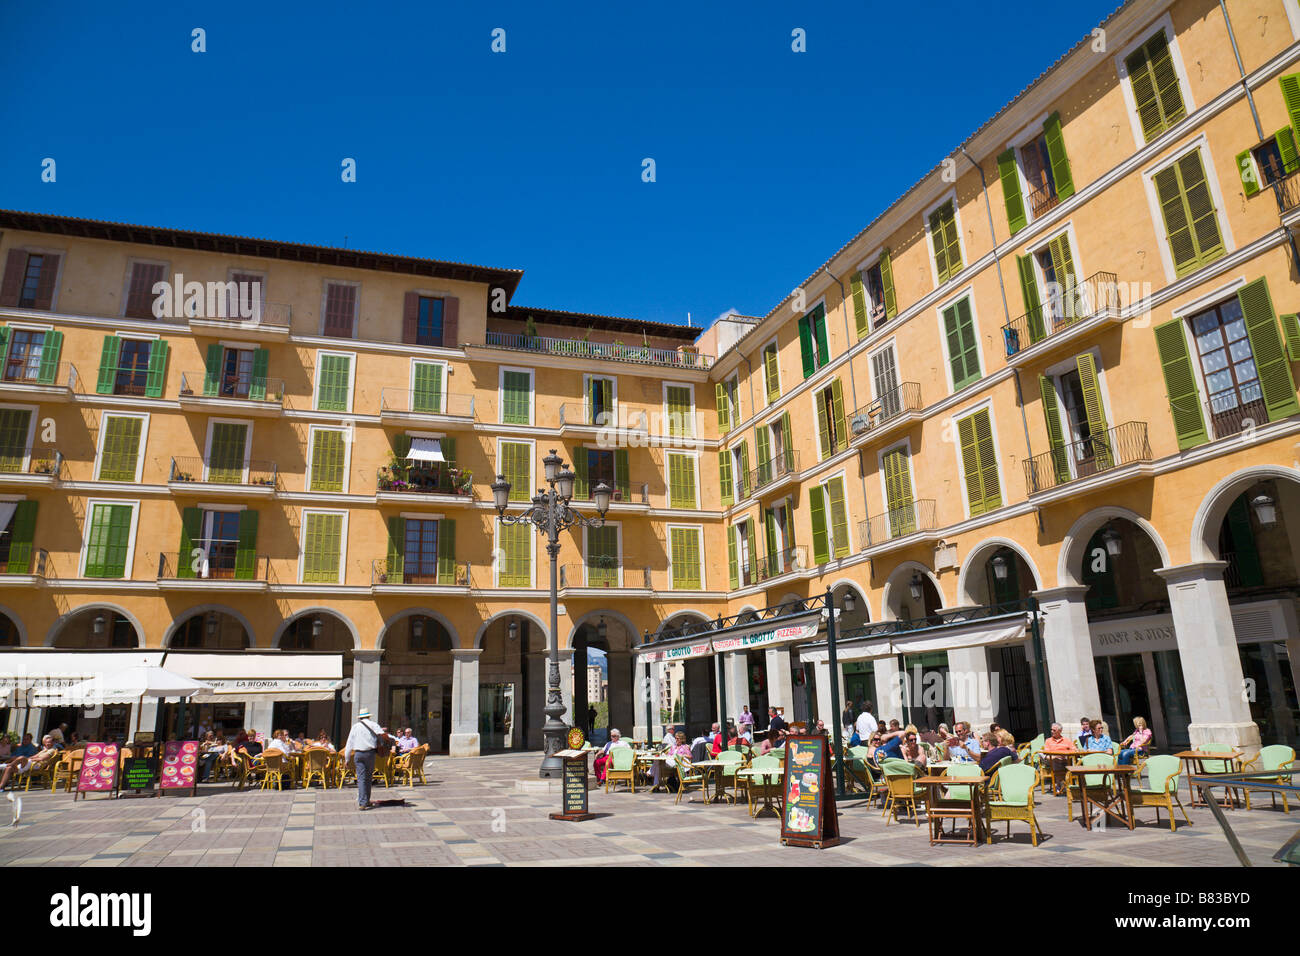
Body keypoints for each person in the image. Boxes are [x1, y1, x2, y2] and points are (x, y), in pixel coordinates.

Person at [343, 708, 392, 811]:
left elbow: (349, 744)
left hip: (359, 753)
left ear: (360, 717)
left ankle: (362, 802)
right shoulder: (374, 725)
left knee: (361, 778)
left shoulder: (355, 727)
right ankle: (366, 800)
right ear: (369, 716)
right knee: (369, 778)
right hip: (370, 754)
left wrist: (346, 759)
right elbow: (384, 736)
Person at [1041, 722, 1076, 795]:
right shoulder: (1048, 740)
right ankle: (1061, 785)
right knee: (1053, 759)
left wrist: (1066, 753)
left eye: (1054, 730)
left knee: (1068, 760)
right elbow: (1046, 752)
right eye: (1051, 730)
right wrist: (1055, 756)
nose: (1052, 731)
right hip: (1053, 759)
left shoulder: (1066, 740)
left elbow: (1074, 749)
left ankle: (1061, 785)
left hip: (1065, 759)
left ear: (1060, 731)